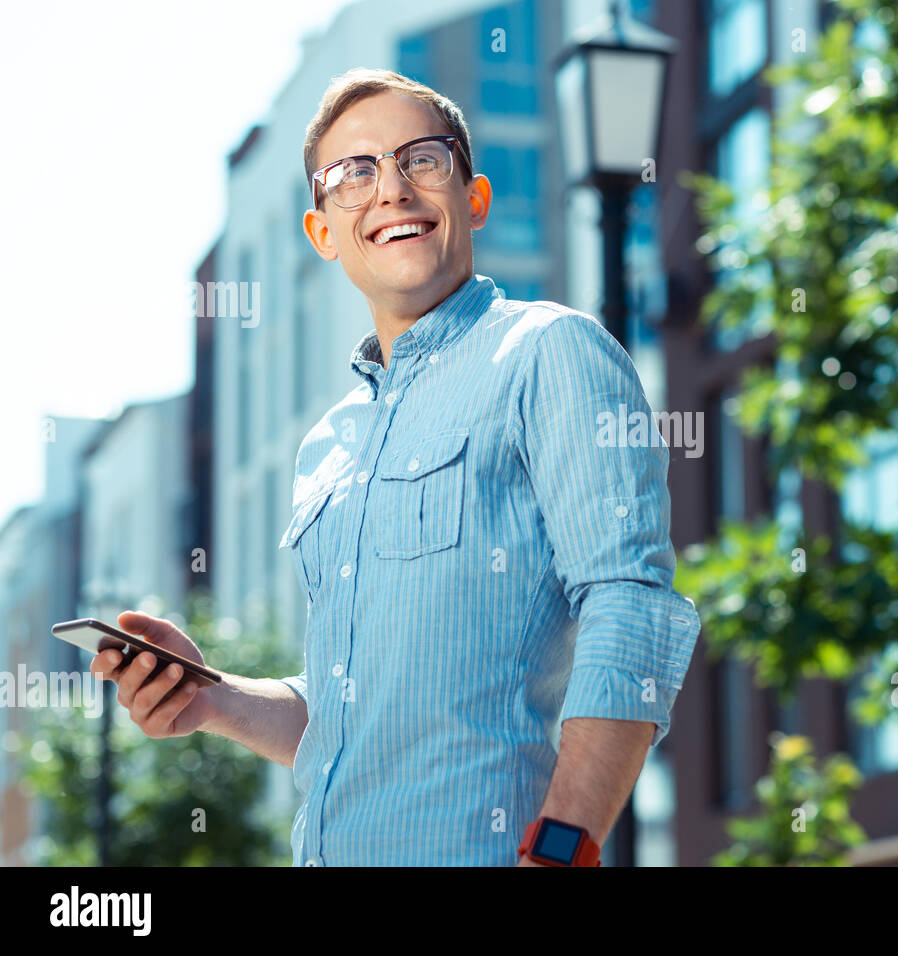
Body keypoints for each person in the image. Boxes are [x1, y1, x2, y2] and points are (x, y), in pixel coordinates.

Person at [91, 67, 700, 867]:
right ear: (323, 233)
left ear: (472, 196)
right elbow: (352, 715)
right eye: (355, 173)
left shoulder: (549, 353)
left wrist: (562, 849)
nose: (391, 190)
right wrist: (215, 699)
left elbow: (633, 607)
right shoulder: (329, 442)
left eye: (421, 160)